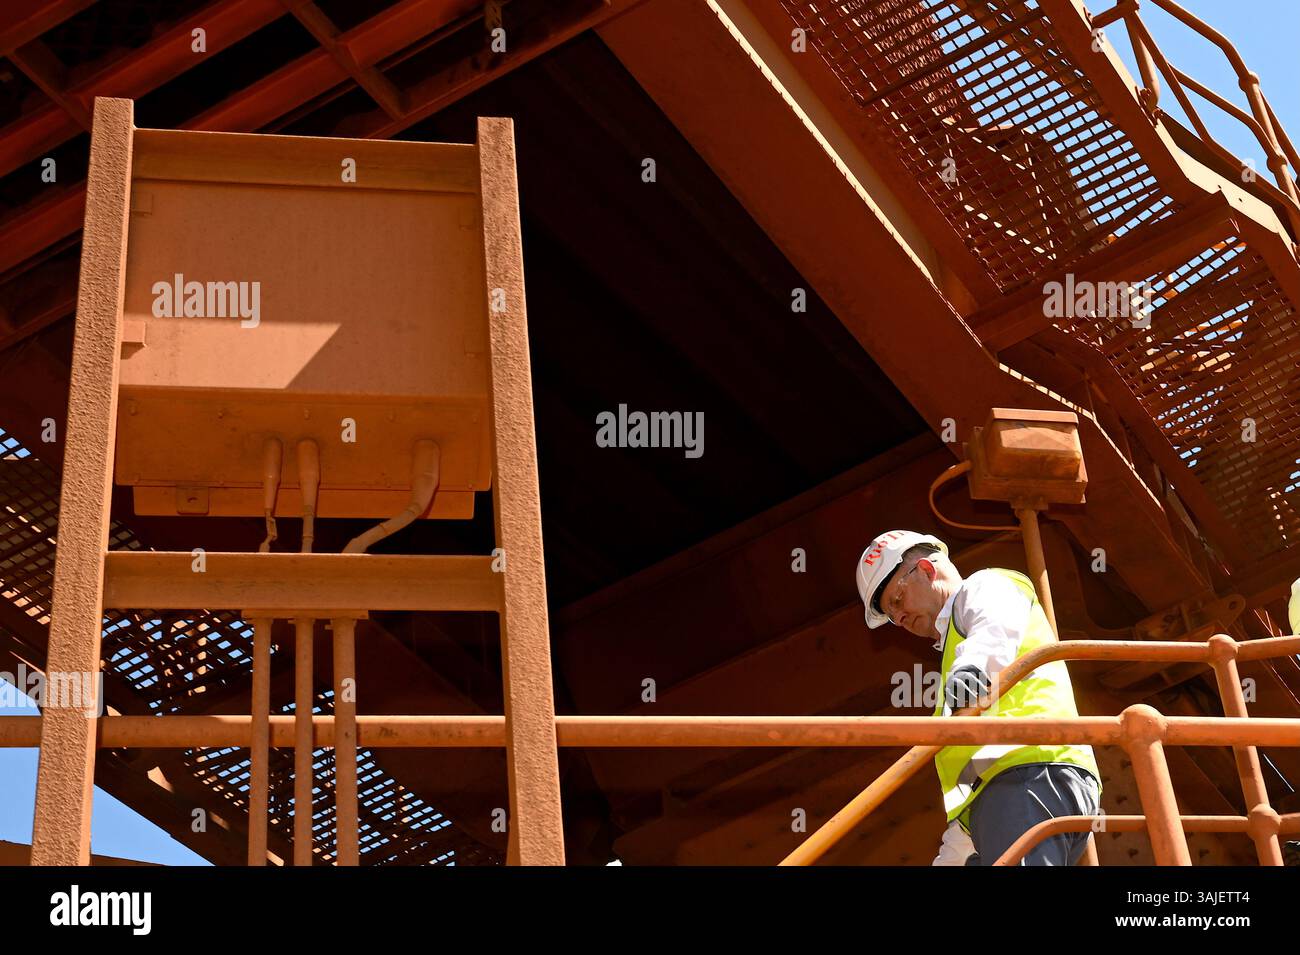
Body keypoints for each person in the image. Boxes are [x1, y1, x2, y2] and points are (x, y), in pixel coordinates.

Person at [855, 529, 1102, 865]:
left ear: (926, 570)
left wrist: (970, 670)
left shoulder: (986, 587)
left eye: (897, 602)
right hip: (998, 798)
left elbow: (993, 627)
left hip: (1028, 776)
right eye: (891, 615)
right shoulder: (956, 657)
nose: (898, 619)